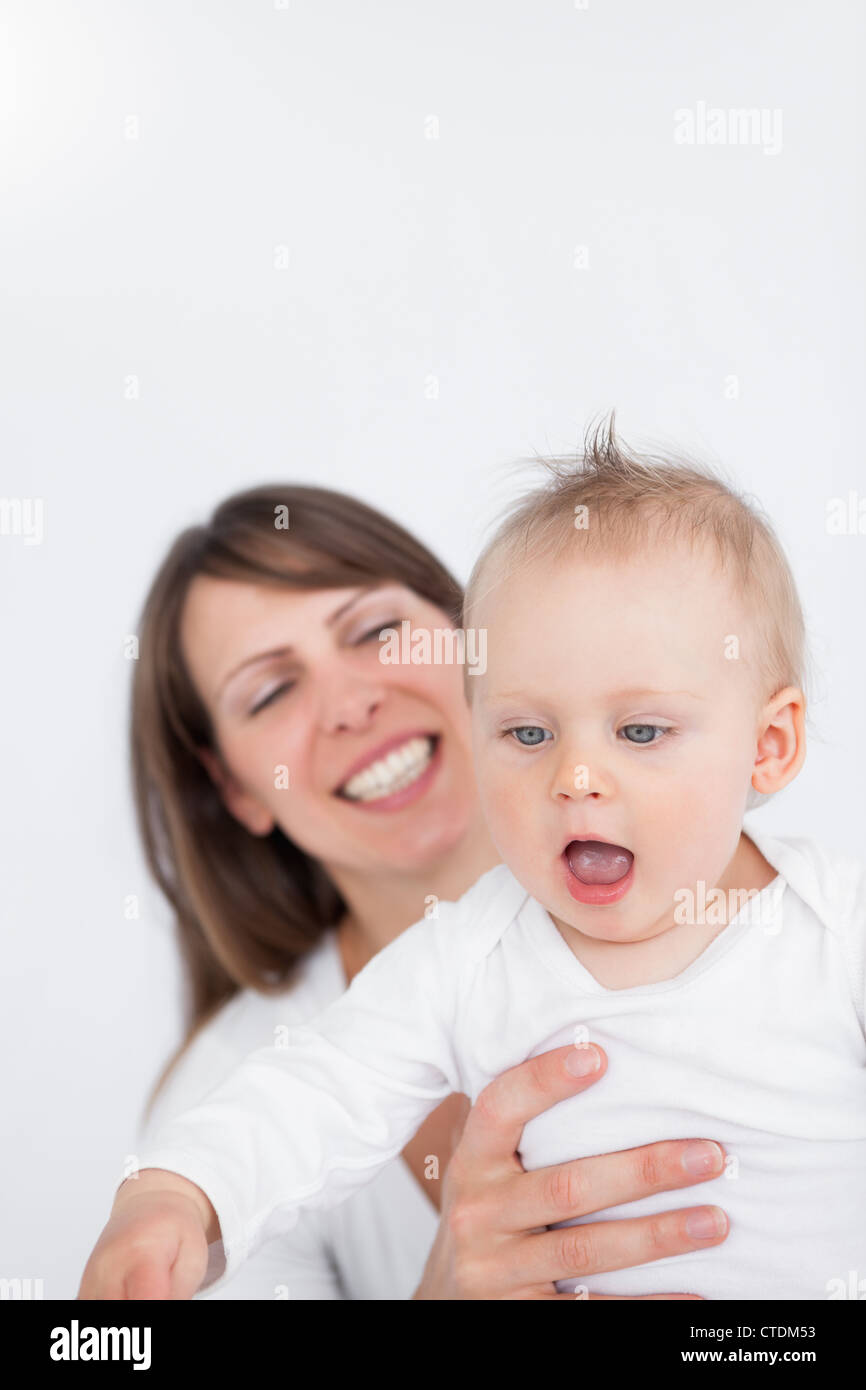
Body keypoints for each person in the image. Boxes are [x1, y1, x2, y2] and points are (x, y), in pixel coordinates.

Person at [83, 463, 736, 1301]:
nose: (352, 702)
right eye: (274, 690)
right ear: (235, 789)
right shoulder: (236, 1088)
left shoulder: (771, 904)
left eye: (373, 631)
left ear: (477, 640)